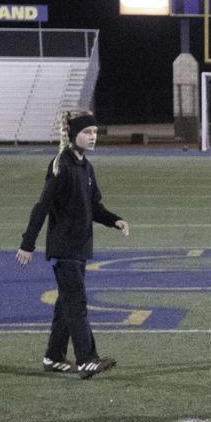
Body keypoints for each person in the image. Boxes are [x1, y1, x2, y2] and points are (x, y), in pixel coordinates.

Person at [17, 111, 129, 379]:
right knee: (76, 302)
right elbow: (41, 207)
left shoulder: (86, 167)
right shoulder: (61, 165)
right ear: (73, 135)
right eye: (87, 133)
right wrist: (27, 243)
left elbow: (93, 207)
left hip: (80, 248)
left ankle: (54, 356)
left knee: (66, 304)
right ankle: (87, 359)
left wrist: (115, 220)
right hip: (64, 248)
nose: (92, 137)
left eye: (95, 133)